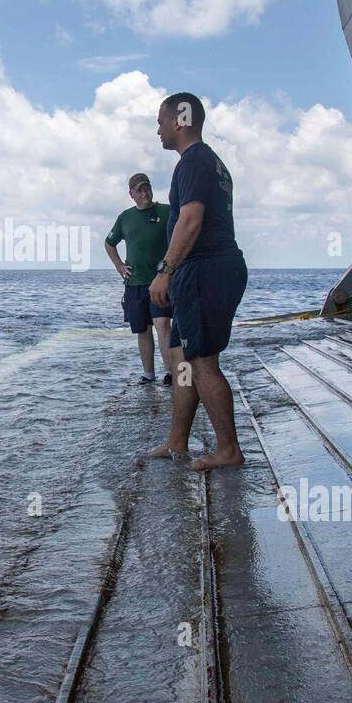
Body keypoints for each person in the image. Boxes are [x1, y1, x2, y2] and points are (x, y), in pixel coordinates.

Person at [146, 93, 248, 471]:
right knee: (182, 359)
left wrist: (165, 271)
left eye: (160, 121)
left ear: (180, 120)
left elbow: (191, 220)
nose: (157, 129)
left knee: (203, 361)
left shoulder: (194, 161)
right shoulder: (209, 162)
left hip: (206, 270)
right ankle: (177, 440)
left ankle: (228, 449)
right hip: (202, 272)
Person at [106, 173, 175, 385]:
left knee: (162, 323)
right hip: (134, 283)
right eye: (139, 190)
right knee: (142, 329)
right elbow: (109, 243)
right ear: (132, 194)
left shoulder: (167, 211)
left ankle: (171, 372)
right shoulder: (125, 217)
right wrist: (119, 265)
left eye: (147, 188)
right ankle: (148, 374)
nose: (144, 193)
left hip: (161, 280)